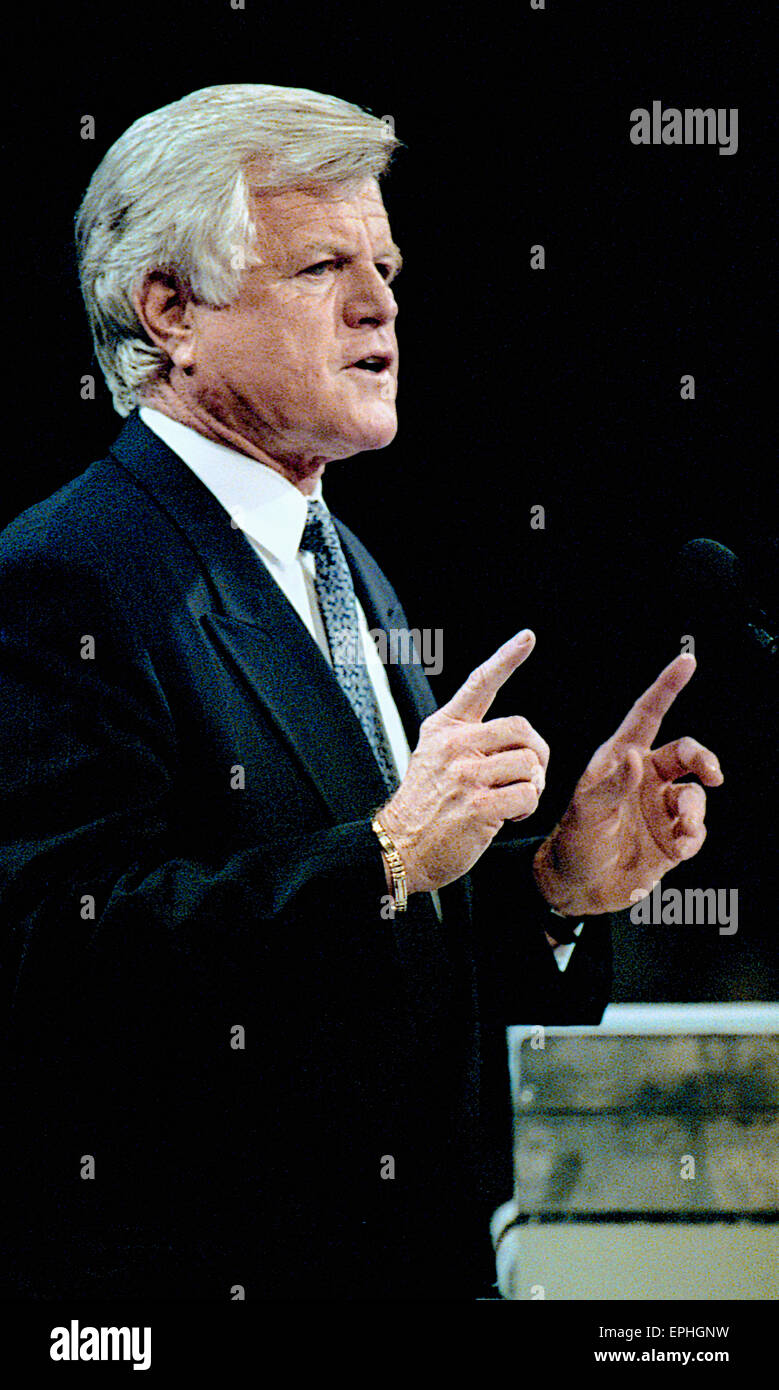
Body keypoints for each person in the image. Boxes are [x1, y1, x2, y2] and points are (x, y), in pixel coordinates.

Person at [0, 84, 722, 1300]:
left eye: (383, 264)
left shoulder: (341, 567)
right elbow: (51, 972)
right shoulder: (68, 572)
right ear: (170, 308)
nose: (381, 304)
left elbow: (376, 966)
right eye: (322, 265)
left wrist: (552, 890)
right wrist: (384, 852)